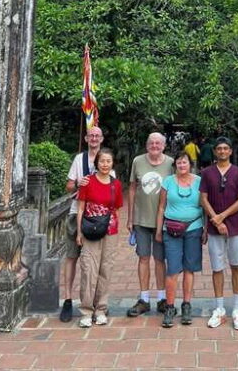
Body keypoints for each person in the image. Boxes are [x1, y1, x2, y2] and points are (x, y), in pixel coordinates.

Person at [199, 135, 238, 330]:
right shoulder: (207, 173)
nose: (222, 151)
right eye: (219, 148)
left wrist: (222, 216)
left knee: (236, 265)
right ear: (215, 151)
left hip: (235, 226)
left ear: (230, 151)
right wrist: (215, 219)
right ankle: (219, 308)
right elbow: (203, 198)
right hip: (214, 228)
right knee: (217, 267)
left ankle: (236, 308)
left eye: (225, 148)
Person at [60, 126, 106, 322]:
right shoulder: (79, 159)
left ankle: (94, 302)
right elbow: (68, 185)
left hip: (97, 216)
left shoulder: (105, 158)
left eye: (97, 135)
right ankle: (68, 299)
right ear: (86, 138)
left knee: (95, 263)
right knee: (72, 256)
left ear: (102, 138)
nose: (94, 138)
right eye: (91, 135)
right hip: (75, 213)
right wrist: (80, 183)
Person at [155, 150, 205, 327]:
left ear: (190, 164)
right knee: (173, 269)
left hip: (194, 227)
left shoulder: (199, 181)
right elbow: (161, 207)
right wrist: (159, 230)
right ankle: (170, 306)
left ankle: (186, 304)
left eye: (184, 162)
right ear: (175, 165)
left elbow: (204, 205)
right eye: (179, 162)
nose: (182, 165)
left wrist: (205, 228)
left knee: (189, 269)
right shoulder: (167, 182)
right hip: (172, 229)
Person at [126, 132, 174, 316]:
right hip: (141, 219)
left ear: (163, 145)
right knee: (143, 258)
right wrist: (130, 217)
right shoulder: (138, 161)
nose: (154, 145)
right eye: (151, 143)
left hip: (162, 220)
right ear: (147, 145)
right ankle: (144, 299)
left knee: (161, 259)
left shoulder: (170, 163)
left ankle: (162, 298)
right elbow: (132, 188)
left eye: (158, 143)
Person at [75, 148, 123, 327]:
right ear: (97, 163)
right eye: (102, 161)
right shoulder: (87, 182)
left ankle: (101, 308)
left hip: (110, 231)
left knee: (105, 269)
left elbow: (117, 208)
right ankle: (86, 310)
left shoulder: (115, 184)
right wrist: (79, 232)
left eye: (108, 161)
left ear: (112, 164)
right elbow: (80, 208)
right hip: (90, 230)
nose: (105, 164)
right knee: (89, 269)